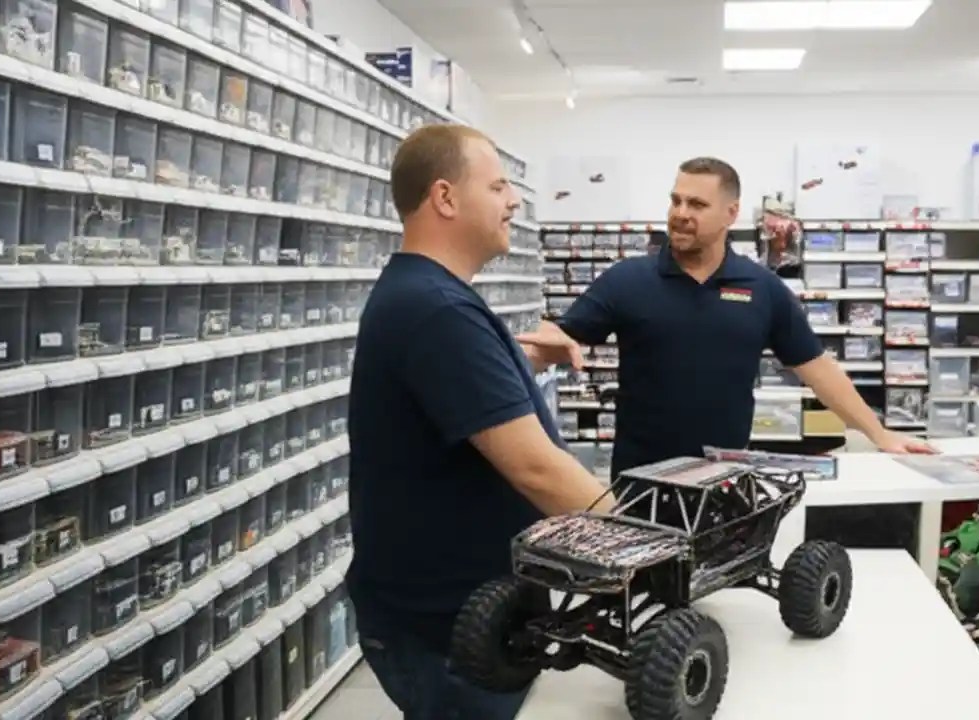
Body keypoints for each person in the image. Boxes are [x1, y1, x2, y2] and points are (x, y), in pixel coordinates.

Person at [346, 124, 612, 720]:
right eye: (497, 186)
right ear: (445, 198)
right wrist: (650, 540)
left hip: (464, 614)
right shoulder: (436, 308)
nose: (513, 201)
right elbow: (536, 468)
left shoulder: (427, 295)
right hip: (449, 628)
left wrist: (518, 362)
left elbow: (459, 400)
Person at [519, 156, 937, 476]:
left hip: (724, 477)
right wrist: (531, 350)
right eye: (676, 200)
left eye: (697, 203)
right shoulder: (627, 281)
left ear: (731, 213)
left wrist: (878, 433)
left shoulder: (762, 287)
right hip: (639, 480)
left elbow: (817, 367)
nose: (681, 212)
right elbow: (556, 336)